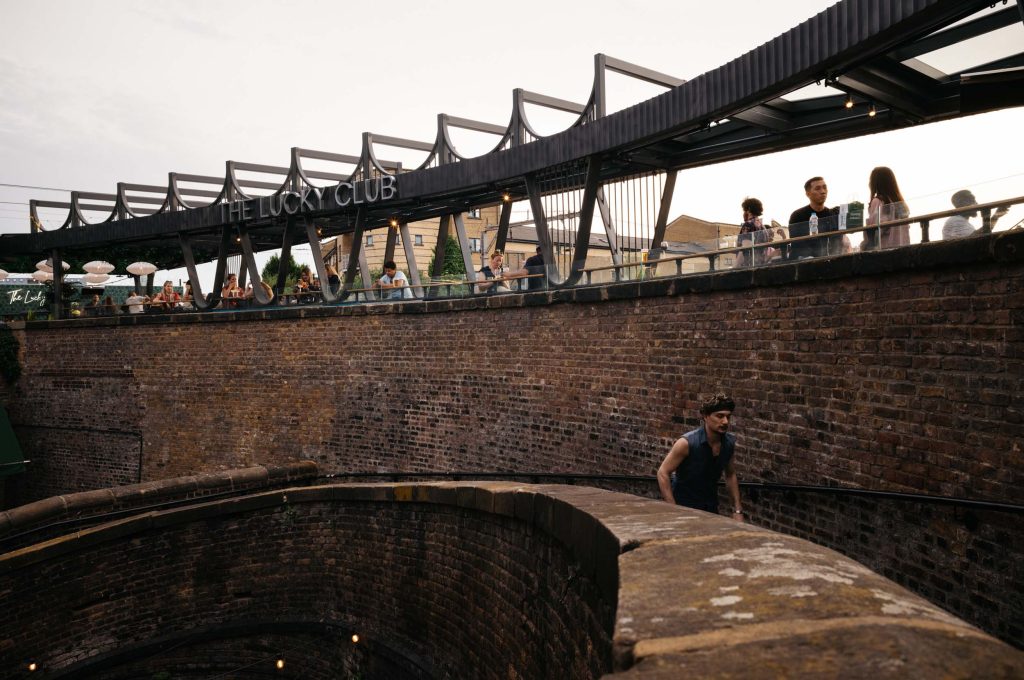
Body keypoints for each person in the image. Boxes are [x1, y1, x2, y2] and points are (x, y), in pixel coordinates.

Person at [657, 393, 743, 520]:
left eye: (728, 417)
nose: (725, 421)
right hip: (684, 507)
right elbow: (663, 472)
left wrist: (737, 510)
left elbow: (730, 475)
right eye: (720, 416)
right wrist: (673, 509)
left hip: (710, 507)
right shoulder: (686, 443)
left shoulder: (728, 443)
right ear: (706, 416)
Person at [788, 177, 839, 259]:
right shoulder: (797, 215)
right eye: (817, 188)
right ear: (808, 194)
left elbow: (836, 243)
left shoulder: (832, 214)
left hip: (827, 261)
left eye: (824, 187)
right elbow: (796, 245)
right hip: (803, 262)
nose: (823, 191)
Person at [862, 166, 910, 251]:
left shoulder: (878, 201)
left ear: (876, 182)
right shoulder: (900, 204)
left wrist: (864, 245)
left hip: (885, 250)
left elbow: (874, 231)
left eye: (871, 180)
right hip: (904, 250)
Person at [942, 189, 1009, 240]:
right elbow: (972, 240)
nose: (977, 204)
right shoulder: (955, 221)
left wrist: (996, 216)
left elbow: (981, 235)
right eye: (972, 200)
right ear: (962, 203)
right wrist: (995, 216)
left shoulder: (961, 221)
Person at [734, 197, 768, 268]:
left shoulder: (748, 224)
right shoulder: (763, 227)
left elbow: (745, 249)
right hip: (761, 266)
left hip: (748, 268)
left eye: (744, 210)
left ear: (749, 209)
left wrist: (734, 267)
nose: (744, 213)